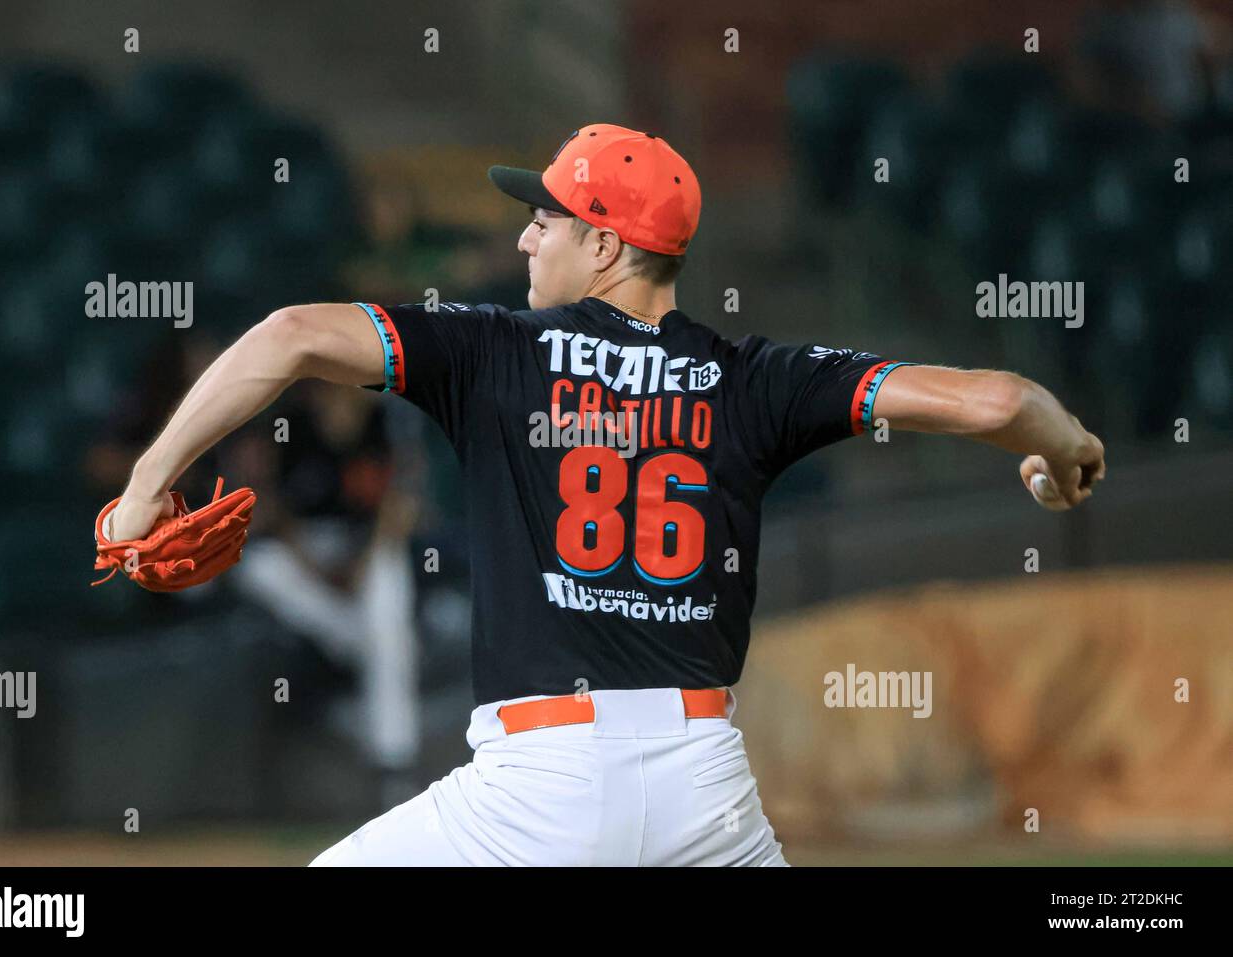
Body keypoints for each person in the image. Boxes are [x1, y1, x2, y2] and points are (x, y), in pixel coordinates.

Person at [105, 123, 1105, 866]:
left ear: (607, 246)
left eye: (545, 218)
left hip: (537, 788)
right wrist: (1065, 456)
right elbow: (999, 399)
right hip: (705, 791)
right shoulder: (756, 377)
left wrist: (150, 485)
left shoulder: (493, 352)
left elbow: (287, 334)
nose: (528, 238)